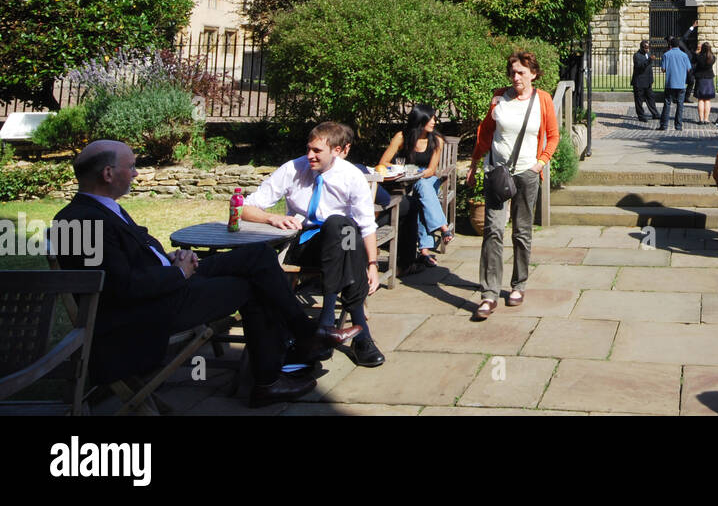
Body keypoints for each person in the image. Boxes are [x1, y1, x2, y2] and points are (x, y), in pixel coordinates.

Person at [51, 140, 362, 407]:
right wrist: (179, 275)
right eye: (131, 167)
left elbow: (128, 260)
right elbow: (122, 288)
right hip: (150, 311)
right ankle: (271, 377)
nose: (135, 173)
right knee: (251, 286)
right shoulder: (83, 222)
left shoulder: (100, 209)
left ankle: (303, 337)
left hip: (166, 284)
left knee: (258, 256)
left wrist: (168, 257)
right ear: (107, 174)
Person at [242, 121, 385, 367]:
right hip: (303, 246)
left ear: (337, 151)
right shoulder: (293, 169)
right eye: (309, 149)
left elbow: (366, 225)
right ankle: (360, 336)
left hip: (342, 244)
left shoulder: (351, 176)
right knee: (343, 235)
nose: (310, 156)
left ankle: (326, 326)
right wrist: (271, 217)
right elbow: (244, 208)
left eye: (317, 151)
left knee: (340, 226)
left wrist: (373, 263)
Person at [467, 50, 560, 320]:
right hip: (497, 172)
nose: (516, 77)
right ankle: (489, 294)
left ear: (533, 74)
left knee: (521, 231)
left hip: (527, 174)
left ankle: (518, 285)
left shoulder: (542, 100)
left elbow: (553, 136)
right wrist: (475, 163)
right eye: (513, 72)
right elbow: (485, 133)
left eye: (521, 72)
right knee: (493, 230)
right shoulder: (499, 98)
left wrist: (540, 164)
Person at [377, 104, 449, 269]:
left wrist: (416, 175)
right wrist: (403, 171)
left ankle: (436, 234)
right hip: (407, 179)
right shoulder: (402, 137)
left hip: (428, 180)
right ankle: (428, 247)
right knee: (421, 198)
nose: (434, 121)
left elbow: (431, 170)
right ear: (420, 120)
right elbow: (383, 162)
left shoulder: (437, 140)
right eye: (430, 118)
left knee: (423, 186)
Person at [659, 37, 691, 132]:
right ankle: (678, 126)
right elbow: (688, 69)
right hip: (681, 83)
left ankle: (664, 125)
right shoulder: (684, 55)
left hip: (670, 83)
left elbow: (663, 69)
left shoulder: (666, 54)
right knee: (680, 105)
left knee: (667, 103)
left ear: (670, 45)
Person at [632, 40, 659, 122]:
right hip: (639, 82)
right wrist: (649, 60)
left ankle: (655, 114)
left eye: (648, 48)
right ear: (641, 47)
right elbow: (639, 66)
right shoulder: (636, 55)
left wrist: (651, 79)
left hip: (648, 82)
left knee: (651, 98)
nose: (647, 49)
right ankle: (641, 115)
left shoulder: (648, 54)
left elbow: (649, 68)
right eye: (645, 48)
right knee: (639, 100)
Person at [693, 41, 717, 125]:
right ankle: (706, 119)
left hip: (700, 78)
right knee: (707, 100)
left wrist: (697, 52)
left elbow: (693, 61)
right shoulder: (712, 57)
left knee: (700, 99)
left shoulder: (699, 57)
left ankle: (701, 119)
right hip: (709, 78)